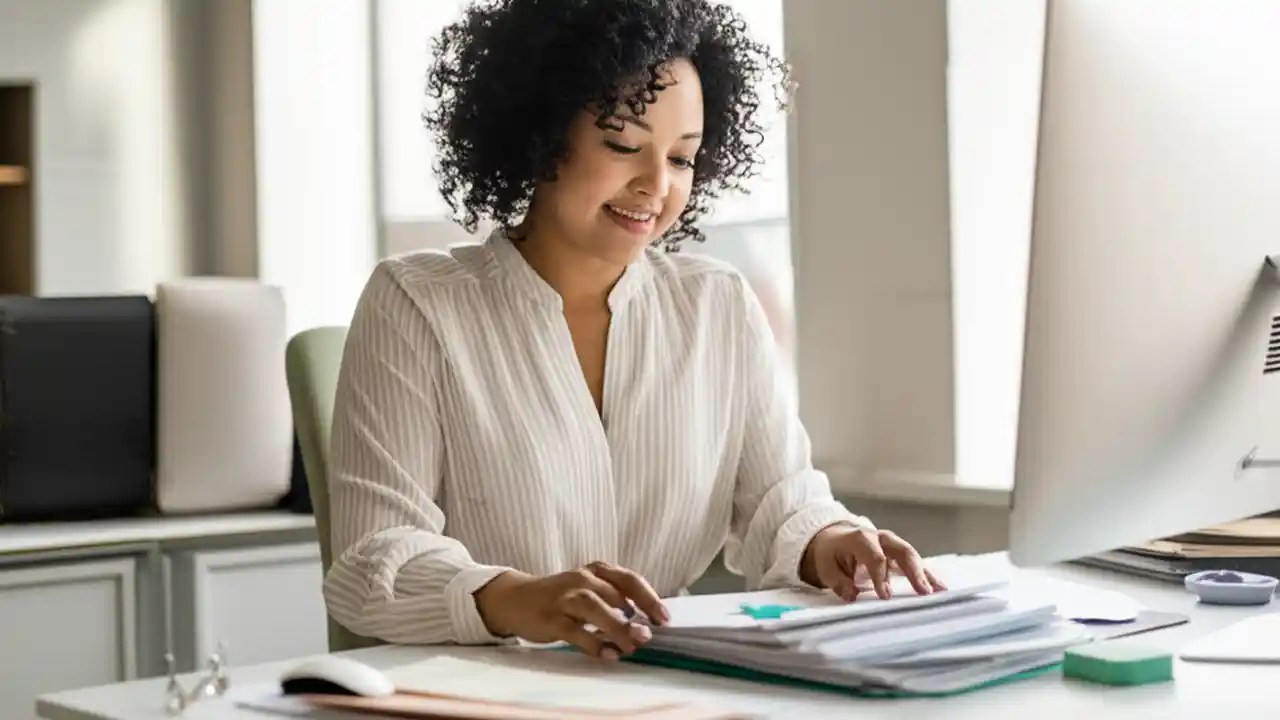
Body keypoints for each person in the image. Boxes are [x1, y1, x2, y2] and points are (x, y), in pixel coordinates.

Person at [324, 0, 944, 662]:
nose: (656, 185)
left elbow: (781, 505)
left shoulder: (718, 308)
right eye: (623, 146)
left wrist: (833, 543)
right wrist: (513, 599)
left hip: (665, 685)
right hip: (486, 686)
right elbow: (372, 561)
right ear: (539, 132)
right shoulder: (415, 305)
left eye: (682, 158)